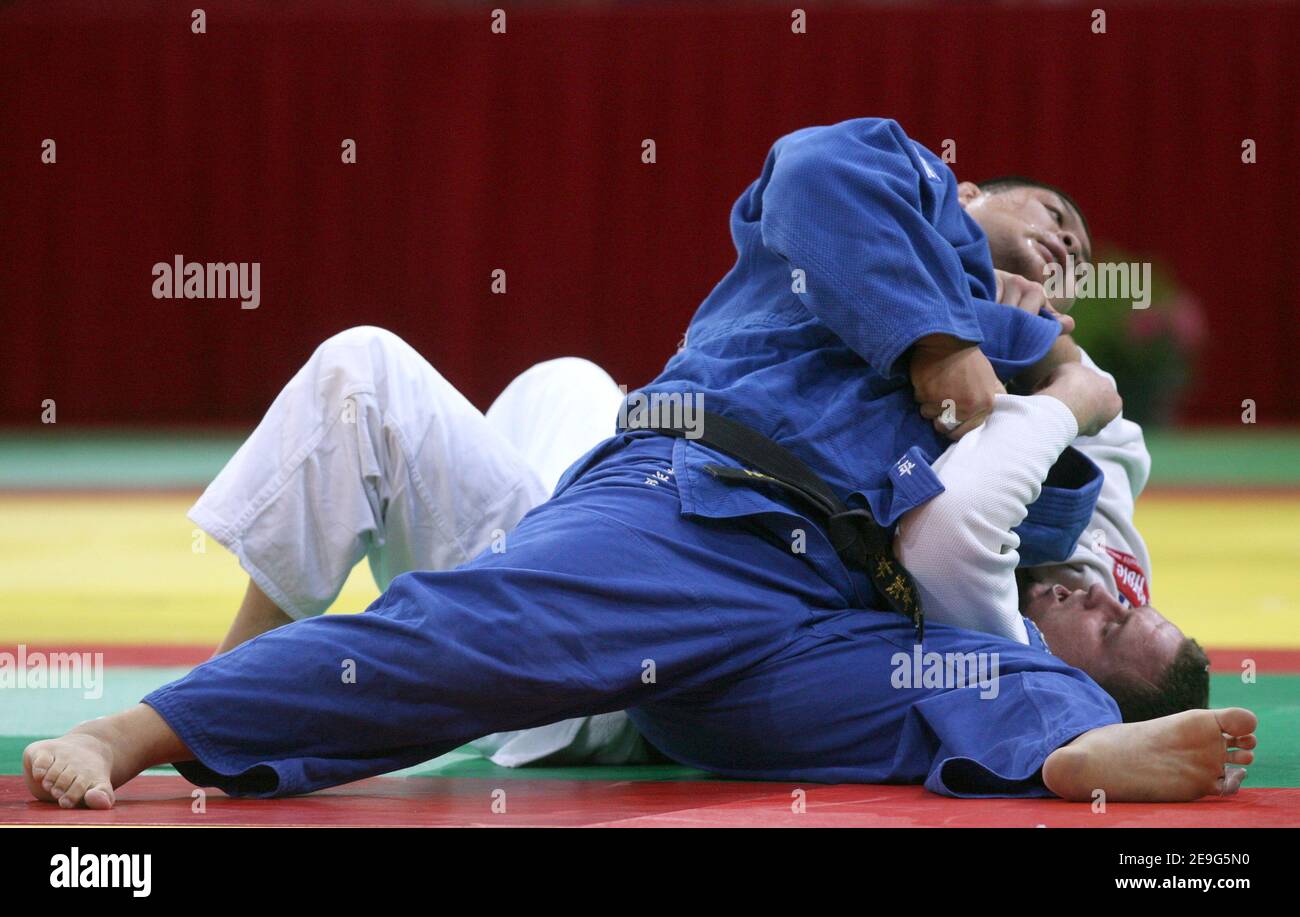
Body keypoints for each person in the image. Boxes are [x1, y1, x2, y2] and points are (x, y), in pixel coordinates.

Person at [24, 117, 1254, 809]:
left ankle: (1067, 749)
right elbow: (814, 172)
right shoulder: (895, 194)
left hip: (819, 614)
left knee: (976, 670)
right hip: (701, 509)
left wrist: (1060, 398)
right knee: (473, 635)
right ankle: (148, 727)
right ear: (964, 189)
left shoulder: (1043, 373)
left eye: (1081, 262)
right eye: (1049, 222)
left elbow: (1014, 553)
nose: (1066, 250)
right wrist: (939, 341)